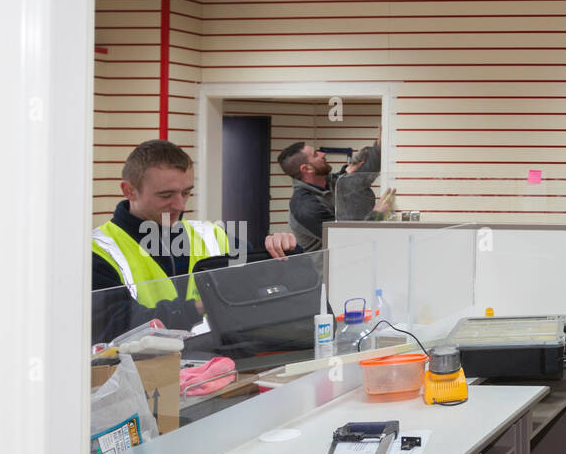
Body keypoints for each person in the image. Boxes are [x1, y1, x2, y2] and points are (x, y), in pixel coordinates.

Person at [91, 139, 299, 345]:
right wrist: (200, 307)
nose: (180, 205)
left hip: (219, 370)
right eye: (166, 195)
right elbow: (115, 327)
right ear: (129, 191)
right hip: (142, 375)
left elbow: (265, 282)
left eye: (186, 192)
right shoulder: (98, 251)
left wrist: (286, 249)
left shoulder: (213, 235)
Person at [278, 136, 396, 251]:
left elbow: (363, 175)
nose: (323, 154)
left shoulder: (332, 182)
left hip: (359, 257)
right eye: (315, 155)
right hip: (334, 268)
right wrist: (377, 214)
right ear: (307, 169)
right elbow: (344, 239)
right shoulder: (305, 207)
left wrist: (379, 146)